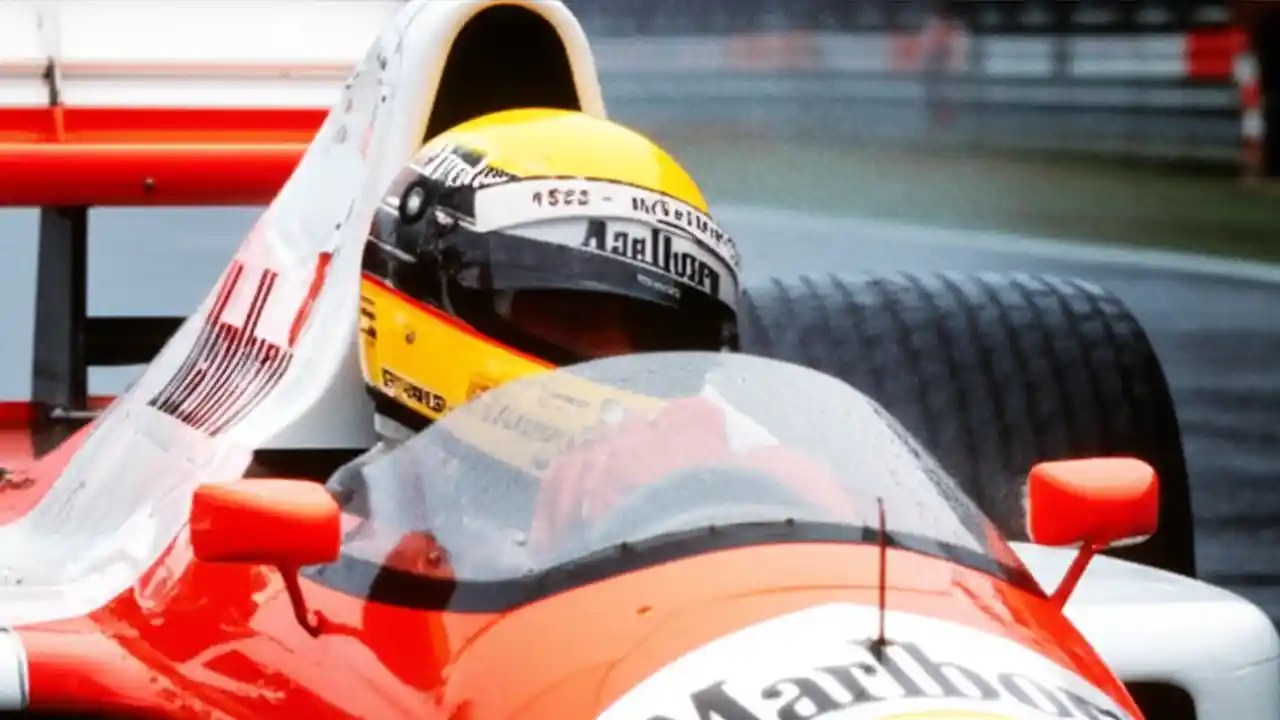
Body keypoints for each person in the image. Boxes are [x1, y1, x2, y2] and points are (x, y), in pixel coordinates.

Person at [327, 107, 851, 561]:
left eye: (656, 336)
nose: (622, 360)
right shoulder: (338, 550)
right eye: (572, 317)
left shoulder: (749, 467)